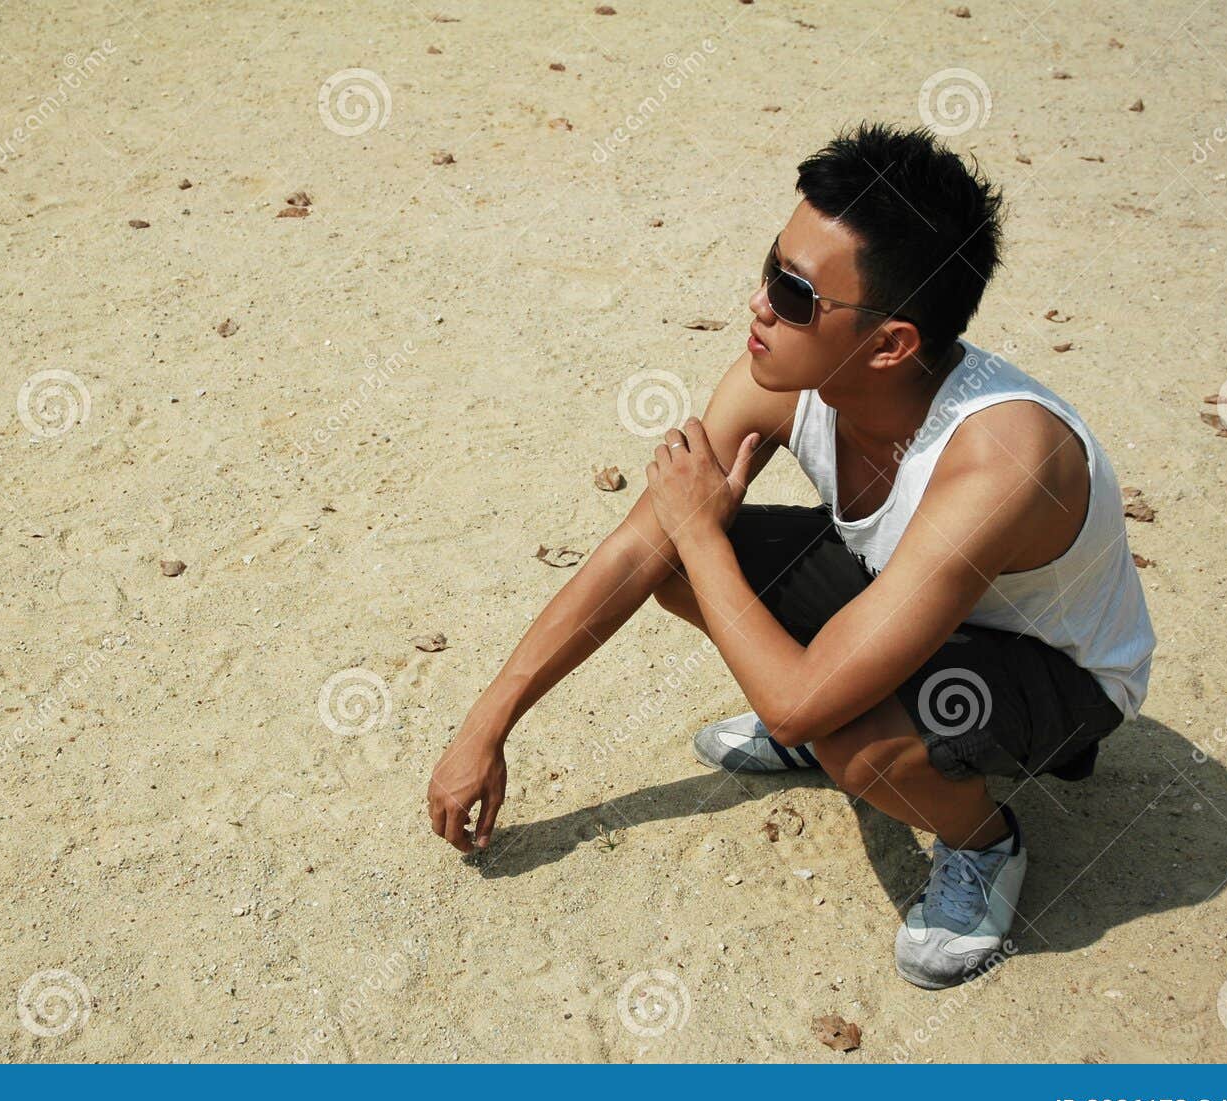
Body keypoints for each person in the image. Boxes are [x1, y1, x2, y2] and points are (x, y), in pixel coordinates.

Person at [425, 122, 1155, 989]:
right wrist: (489, 720)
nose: (761, 306)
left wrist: (700, 536)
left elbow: (793, 691)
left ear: (891, 345)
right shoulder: (785, 375)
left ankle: (983, 842)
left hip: (1059, 673)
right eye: (772, 268)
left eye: (797, 295)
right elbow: (634, 552)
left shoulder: (1000, 461)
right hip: (911, 603)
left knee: (853, 742)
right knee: (681, 558)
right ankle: (850, 718)